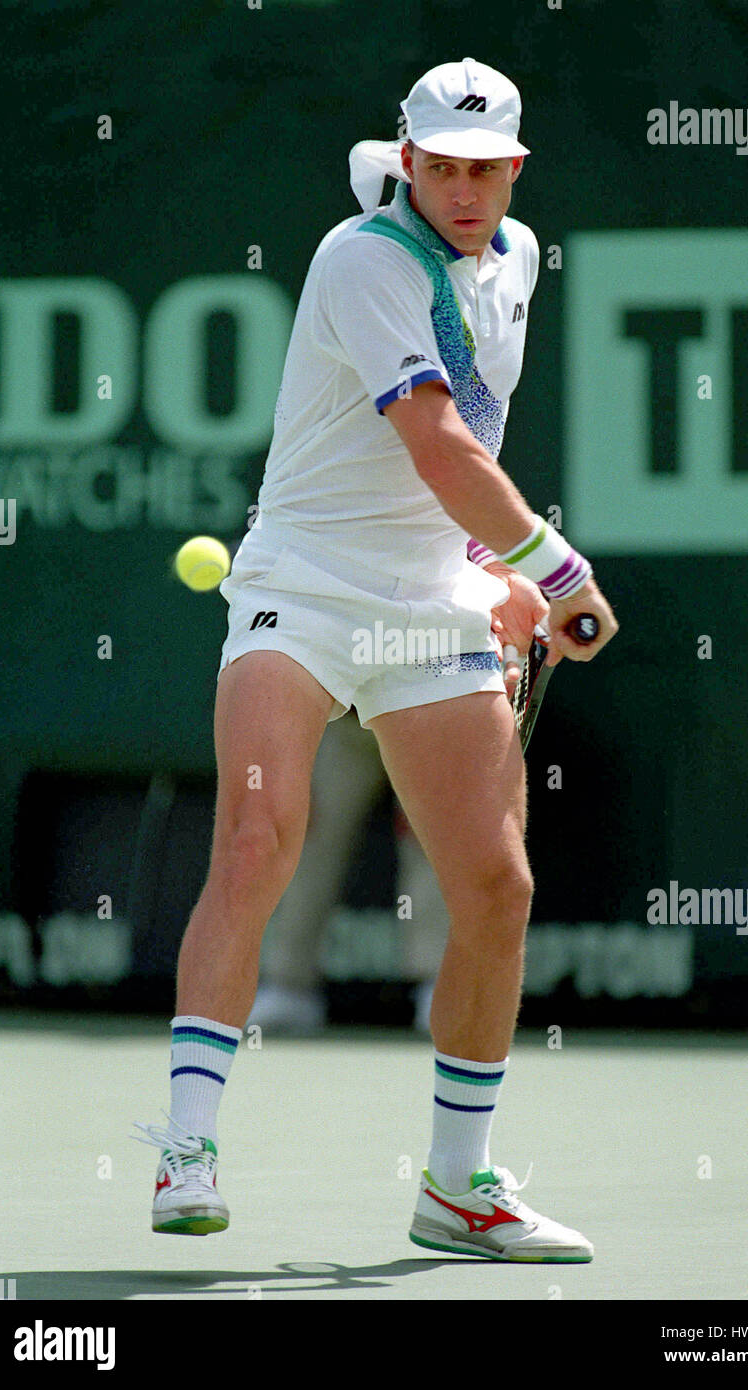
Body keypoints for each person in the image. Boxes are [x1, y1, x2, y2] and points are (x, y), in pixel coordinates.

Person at [134, 56, 617, 1262]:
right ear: (407, 164)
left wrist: (498, 576)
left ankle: (457, 1187)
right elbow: (436, 435)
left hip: (434, 598)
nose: (464, 190)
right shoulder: (359, 256)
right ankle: (186, 1145)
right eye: (439, 166)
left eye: (484, 169)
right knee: (258, 841)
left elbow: (470, 451)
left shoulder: (519, 261)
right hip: (299, 584)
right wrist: (559, 571)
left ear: (516, 170)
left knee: (497, 887)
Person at [246, 708, 448, 1035]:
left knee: (433, 839)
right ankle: (289, 986)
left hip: (431, 713)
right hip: (345, 719)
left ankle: (440, 989)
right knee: (309, 837)